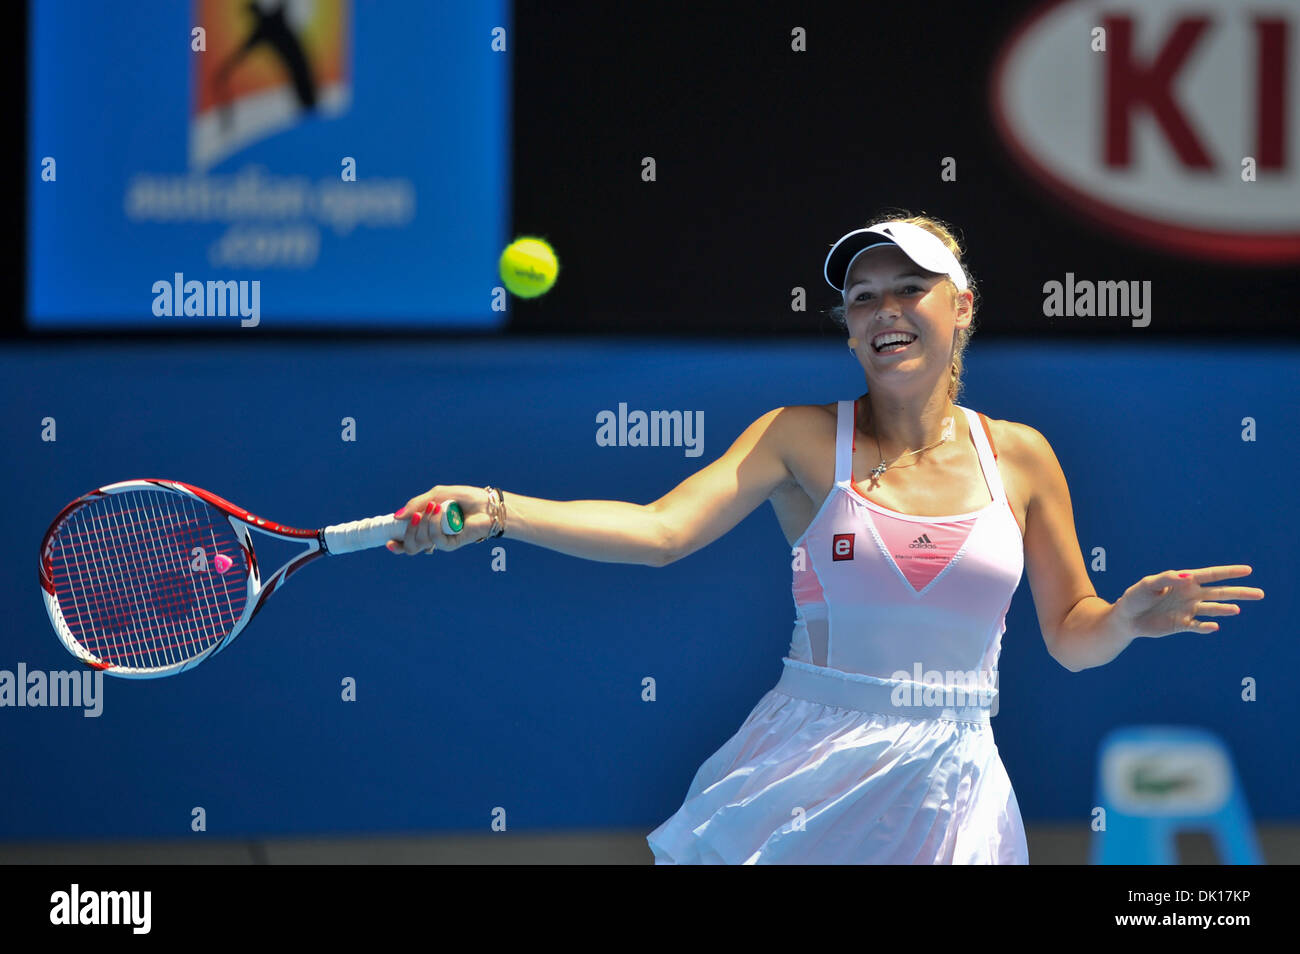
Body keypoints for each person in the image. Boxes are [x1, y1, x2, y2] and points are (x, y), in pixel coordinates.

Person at [384, 213, 1265, 864]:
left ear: (960, 307)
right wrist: (499, 508)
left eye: (909, 289)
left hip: (958, 783)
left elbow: (1073, 635)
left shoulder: (1022, 457)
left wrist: (1123, 619)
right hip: (805, 771)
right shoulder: (801, 439)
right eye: (862, 299)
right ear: (848, 327)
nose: (884, 311)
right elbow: (659, 531)